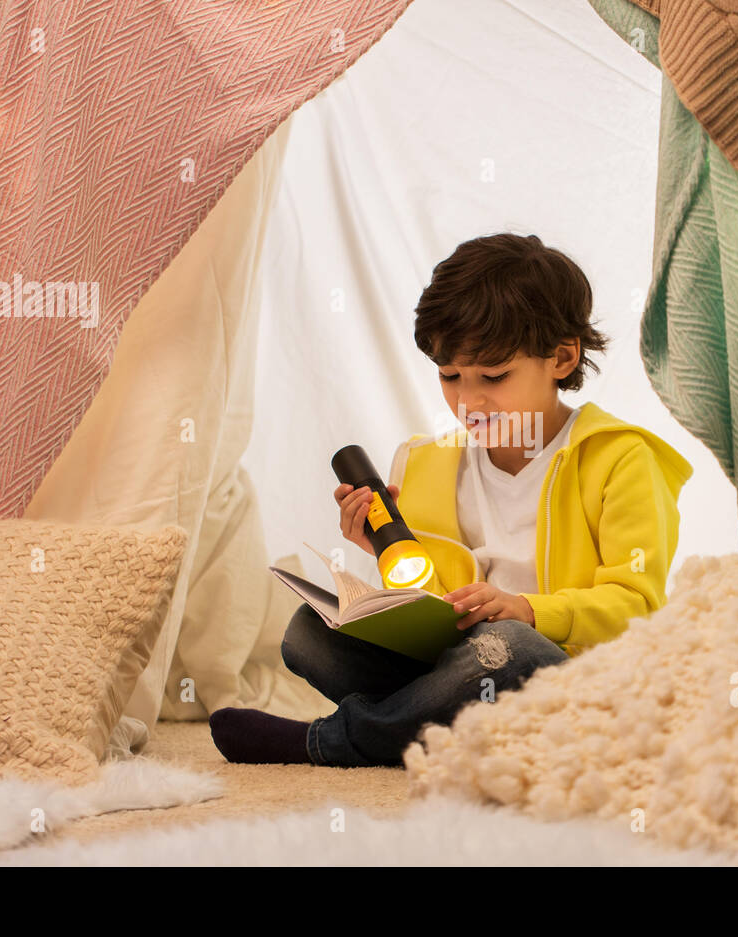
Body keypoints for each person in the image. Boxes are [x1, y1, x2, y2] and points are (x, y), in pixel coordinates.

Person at [209, 233, 694, 766]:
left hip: (563, 676)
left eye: (494, 376)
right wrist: (384, 553)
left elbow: (637, 605)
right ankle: (434, 726)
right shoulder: (428, 464)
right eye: (450, 376)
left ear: (561, 357)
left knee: (504, 646)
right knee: (307, 635)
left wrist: (530, 611)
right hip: (461, 669)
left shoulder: (621, 459)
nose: (469, 400)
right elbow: (436, 609)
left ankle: (331, 741)